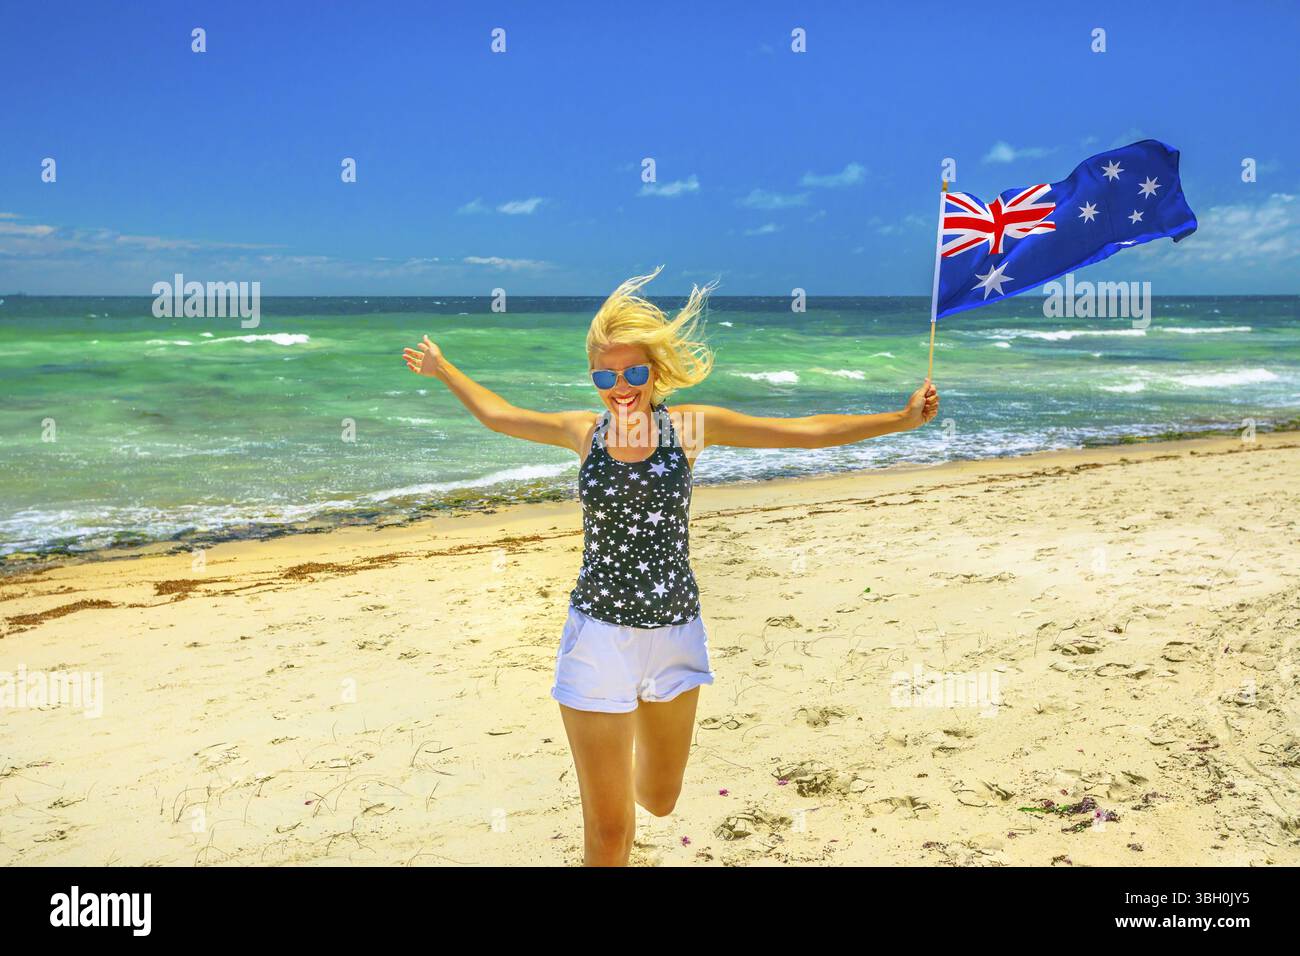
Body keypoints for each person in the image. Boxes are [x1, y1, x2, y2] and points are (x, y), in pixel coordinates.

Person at [402, 267, 939, 865]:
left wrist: (900, 419)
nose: (620, 386)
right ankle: (607, 770)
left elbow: (800, 433)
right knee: (610, 834)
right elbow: (500, 414)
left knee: (659, 799)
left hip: (675, 635)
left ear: (654, 371)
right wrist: (443, 369)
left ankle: (625, 771)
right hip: (598, 638)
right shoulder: (584, 432)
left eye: (633, 372)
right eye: (605, 375)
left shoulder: (686, 427)